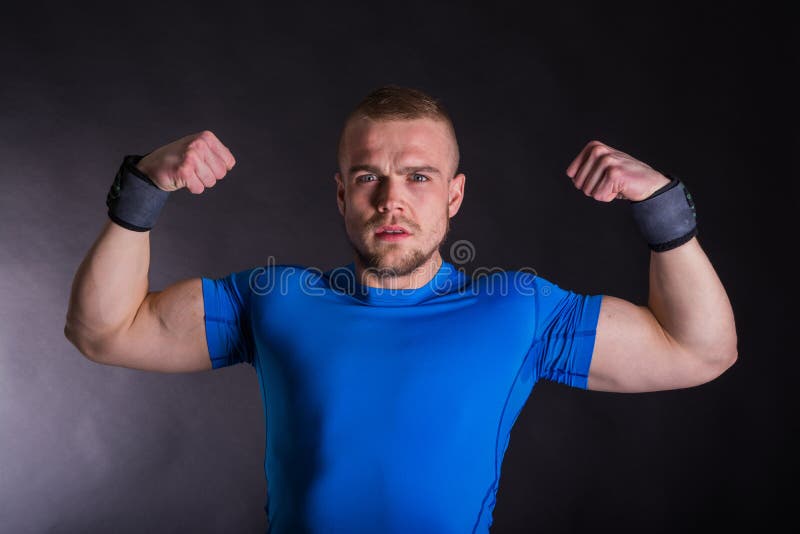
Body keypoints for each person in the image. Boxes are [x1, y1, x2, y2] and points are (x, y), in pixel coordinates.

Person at [64, 85, 738, 533]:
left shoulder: (518, 311)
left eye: (418, 177)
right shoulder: (275, 301)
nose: (392, 200)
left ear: (454, 196)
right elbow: (102, 332)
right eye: (369, 177)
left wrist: (663, 208)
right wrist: (144, 188)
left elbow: (701, 350)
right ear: (341, 195)